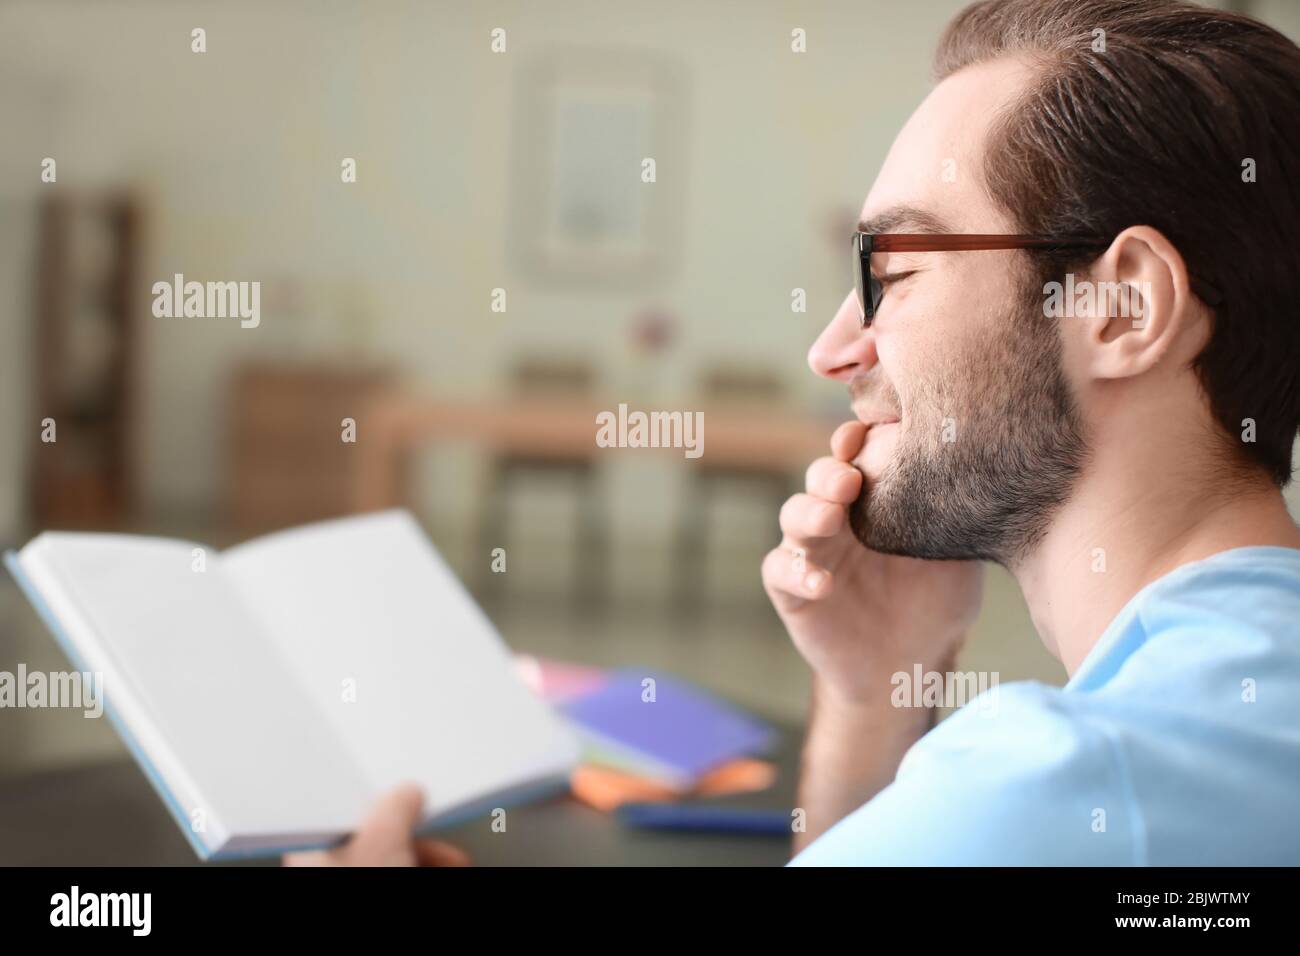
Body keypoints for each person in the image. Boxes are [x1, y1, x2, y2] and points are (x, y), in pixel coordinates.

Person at [287, 0, 1300, 866]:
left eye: (891, 271)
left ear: (1121, 310)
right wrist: (875, 689)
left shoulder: (1056, 784)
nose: (832, 349)